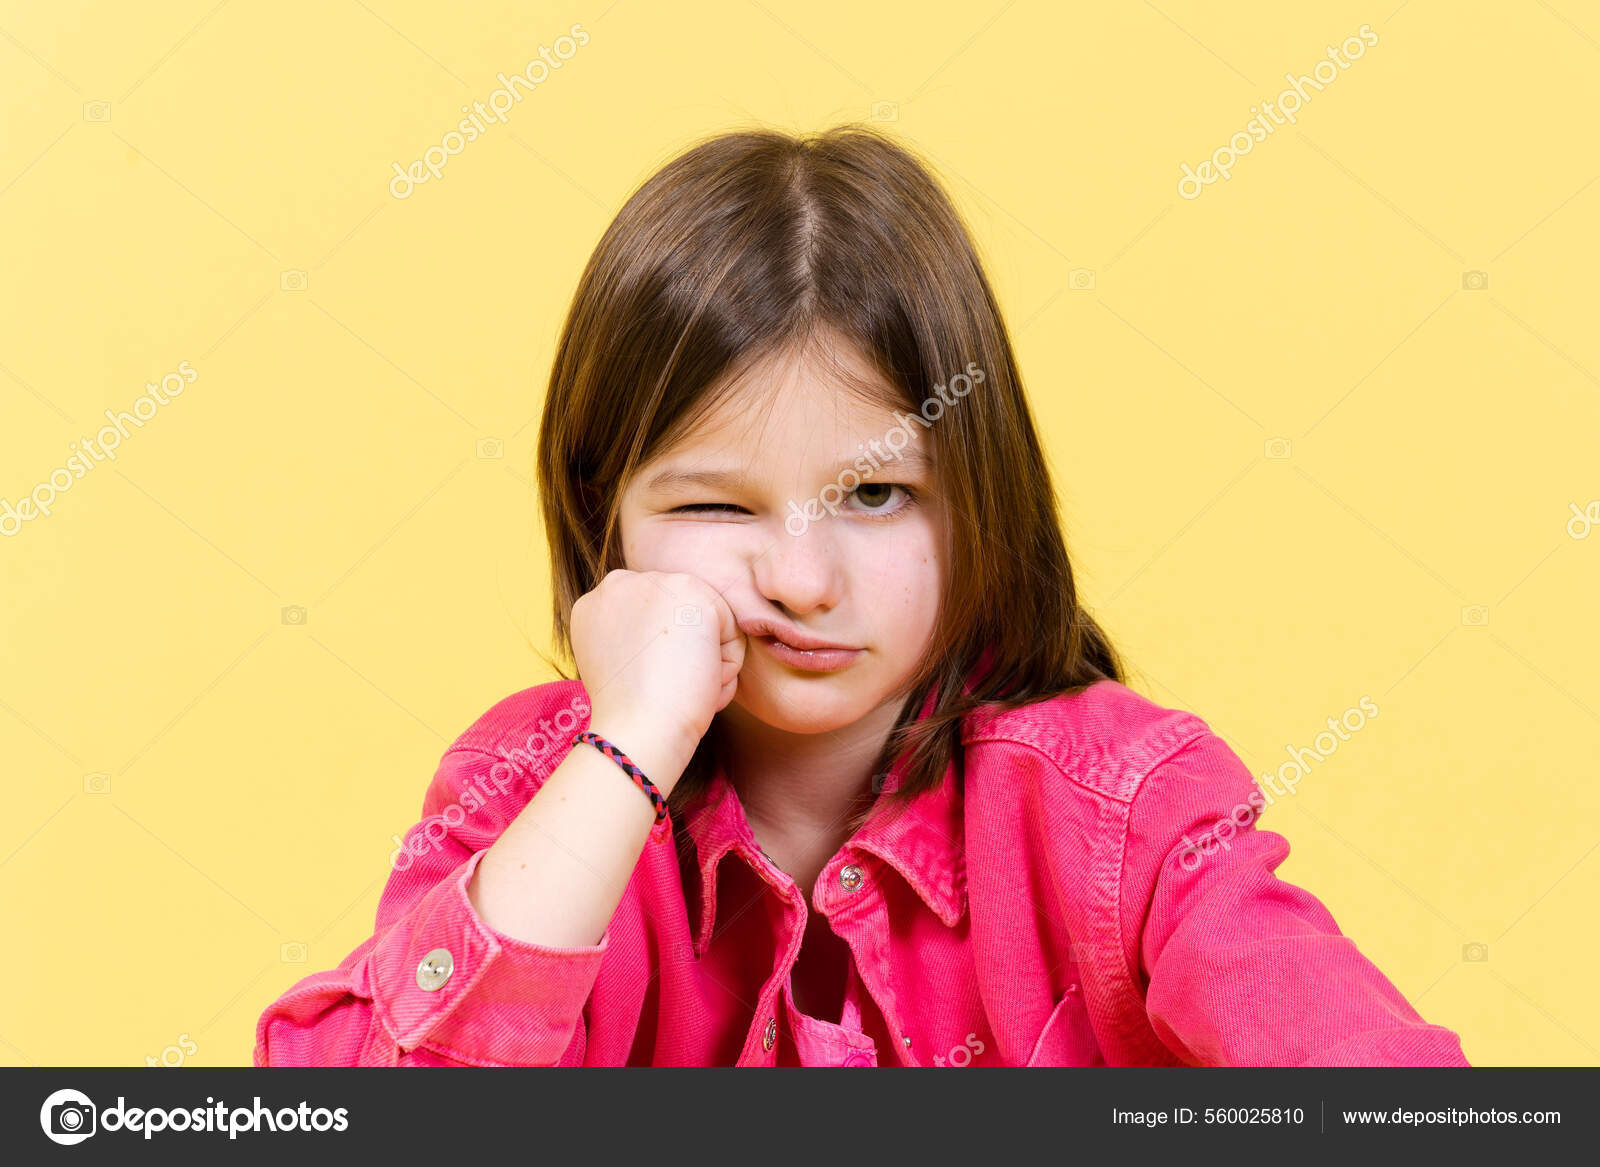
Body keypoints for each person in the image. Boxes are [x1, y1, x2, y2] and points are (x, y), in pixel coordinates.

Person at [253, 125, 1469, 1067]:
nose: (799, 580)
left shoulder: (1120, 814)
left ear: (979, 491)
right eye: (716, 508)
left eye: (876, 495)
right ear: (601, 514)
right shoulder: (537, 796)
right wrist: (628, 747)